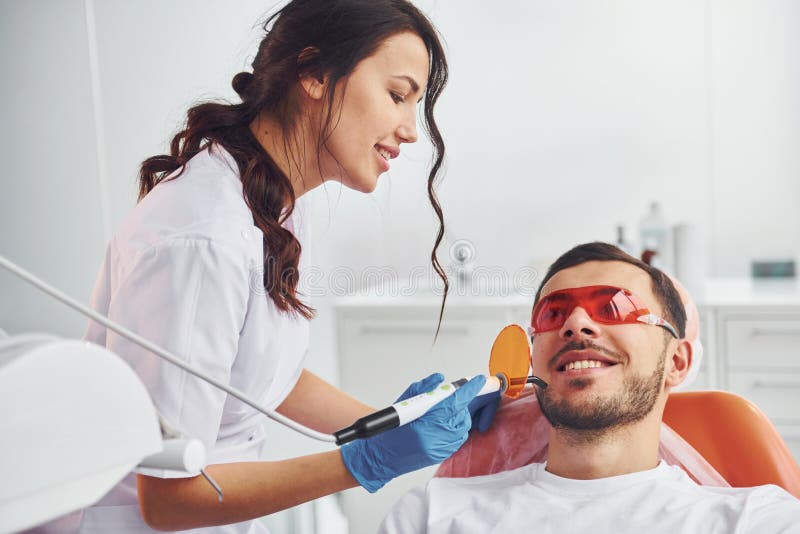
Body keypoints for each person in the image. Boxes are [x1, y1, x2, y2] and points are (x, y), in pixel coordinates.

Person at [79, 1, 493, 532]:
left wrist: (388, 421)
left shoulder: (272, 204)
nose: (411, 131)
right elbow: (169, 500)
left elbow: (259, 375)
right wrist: (362, 462)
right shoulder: (205, 237)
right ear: (315, 74)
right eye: (396, 95)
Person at [379, 242, 800, 533]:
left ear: (677, 362)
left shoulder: (757, 521)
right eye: (553, 313)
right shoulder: (429, 516)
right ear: (533, 358)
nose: (575, 323)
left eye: (614, 306)